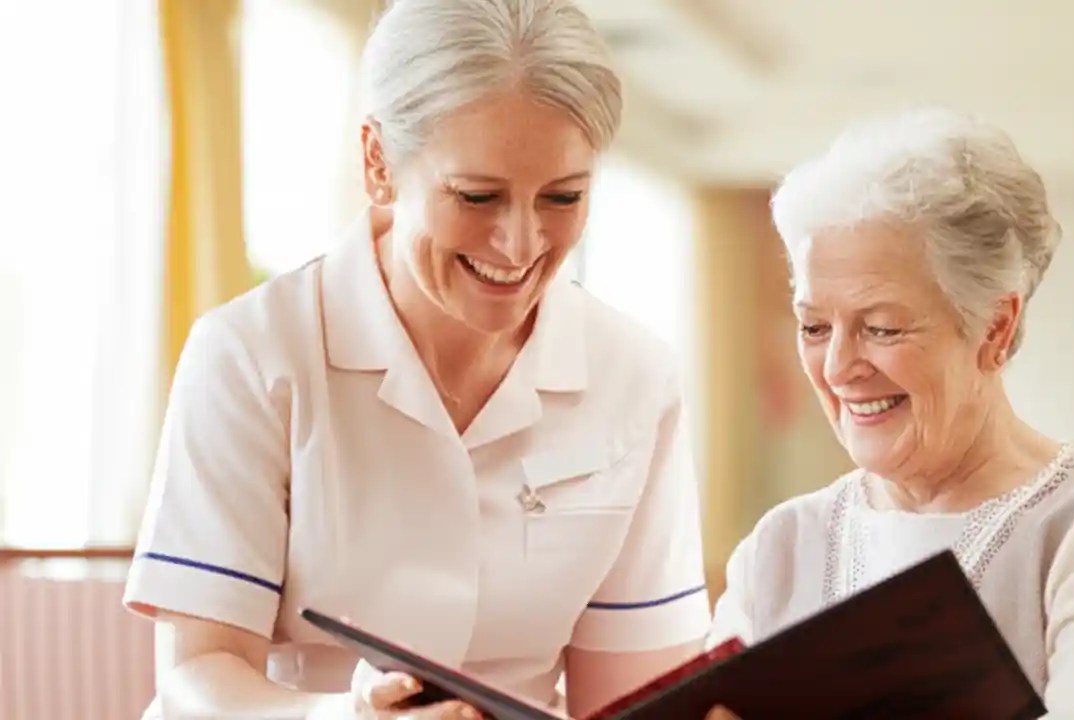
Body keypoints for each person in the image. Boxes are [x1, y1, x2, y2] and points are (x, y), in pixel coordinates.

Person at [123, 1, 712, 717]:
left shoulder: (634, 376)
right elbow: (199, 671)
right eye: (476, 196)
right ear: (378, 162)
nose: (520, 245)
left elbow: (634, 697)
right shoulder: (252, 354)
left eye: (562, 197)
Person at [706, 107, 1074, 718]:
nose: (838, 367)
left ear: (995, 328)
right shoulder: (780, 547)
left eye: (882, 328)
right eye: (813, 326)